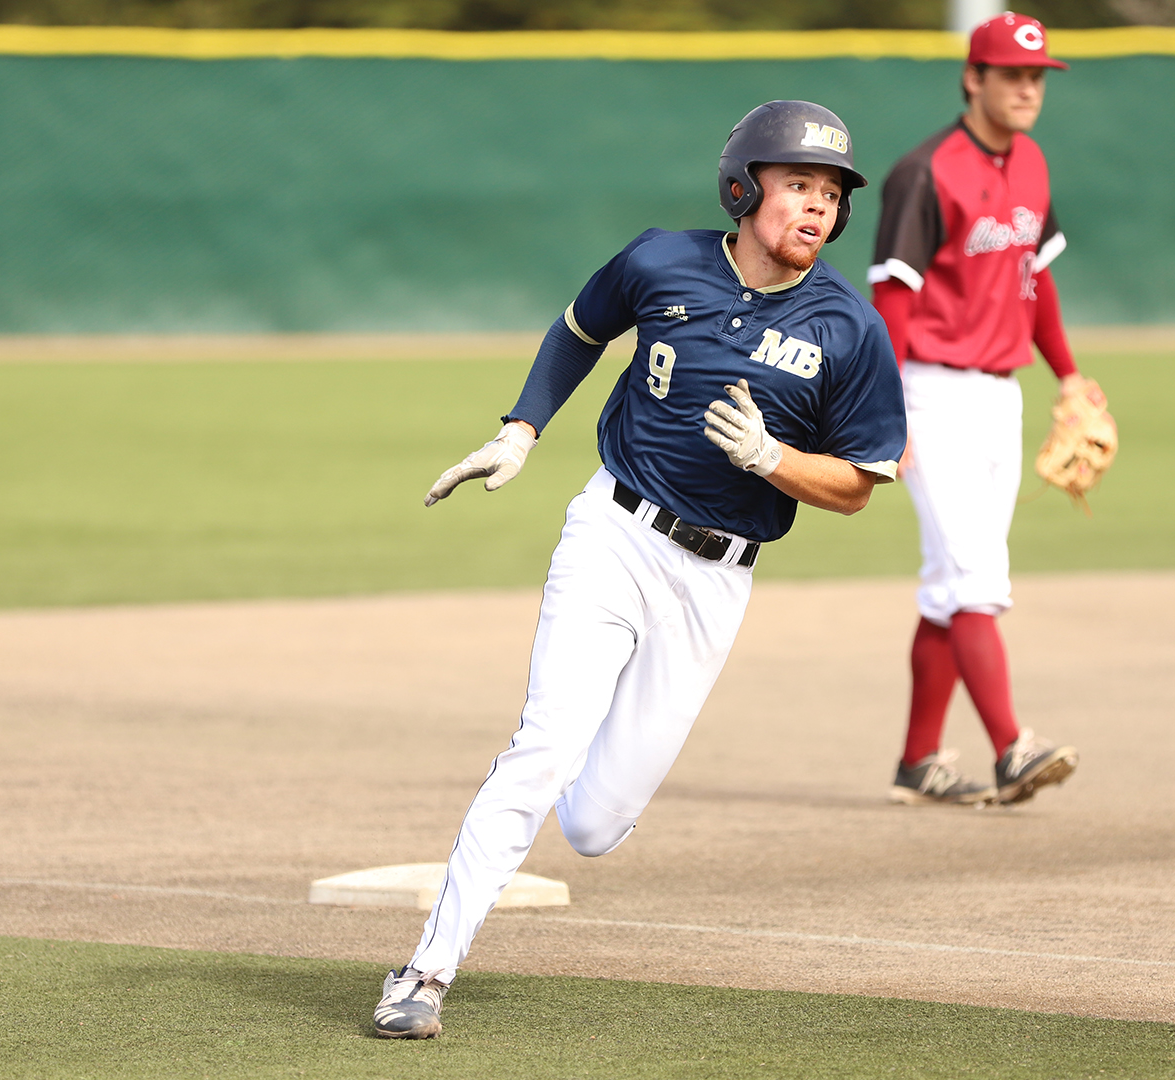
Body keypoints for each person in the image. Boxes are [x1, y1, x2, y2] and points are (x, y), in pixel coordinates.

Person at [373, 100, 907, 1040]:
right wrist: (519, 429)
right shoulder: (661, 261)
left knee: (594, 825)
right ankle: (424, 972)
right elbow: (580, 329)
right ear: (744, 188)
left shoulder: (850, 333)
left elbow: (860, 485)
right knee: (542, 746)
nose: (816, 208)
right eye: (797, 186)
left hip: (714, 582)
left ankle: (574, 790)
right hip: (613, 535)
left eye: (831, 194)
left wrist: (772, 461)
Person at [868, 13, 1097, 809]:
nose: (1027, 90)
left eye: (1037, 78)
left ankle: (918, 761)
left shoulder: (1030, 163)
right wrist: (885, 416)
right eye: (1012, 76)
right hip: (928, 392)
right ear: (974, 79)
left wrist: (1067, 375)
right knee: (973, 581)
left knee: (950, 582)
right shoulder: (924, 172)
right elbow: (890, 300)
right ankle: (1011, 749)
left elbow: (1037, 278)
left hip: (1002, 395)